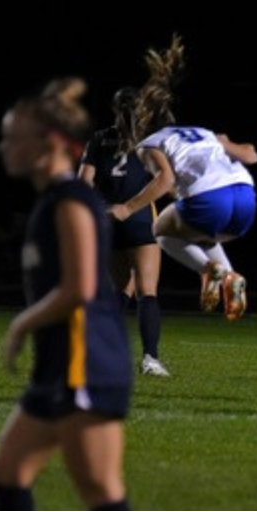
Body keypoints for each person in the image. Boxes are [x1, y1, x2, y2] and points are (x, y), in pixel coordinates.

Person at [0, 78, 133, 511]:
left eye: (13, 138)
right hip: (56, 368)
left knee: (100, 490)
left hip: (84, 367)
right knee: (8, 476)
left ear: (50, 143)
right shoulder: (51, 200)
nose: (3, 147)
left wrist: (21, 325)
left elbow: (80, 288)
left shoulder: (72, 201)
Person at [108, 36, 257, 321]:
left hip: (210, 198)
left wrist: (127, 208)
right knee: (199, 233)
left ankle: (210, 270)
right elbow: (251, 156)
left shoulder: (149, 143)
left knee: (162, 232)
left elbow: (164, 180)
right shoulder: (202, 133)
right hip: (246, 199)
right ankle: (230, 276)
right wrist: (225, 142)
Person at [80, 87, 169, 376]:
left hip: (109, 219)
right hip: (139, 217)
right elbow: (165, 180)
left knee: (120, 291)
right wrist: (131, 207)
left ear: (115, 109)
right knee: (147, 291)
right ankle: (150, 359)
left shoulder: (98, 138)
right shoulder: (149, 140)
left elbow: (84, 182)